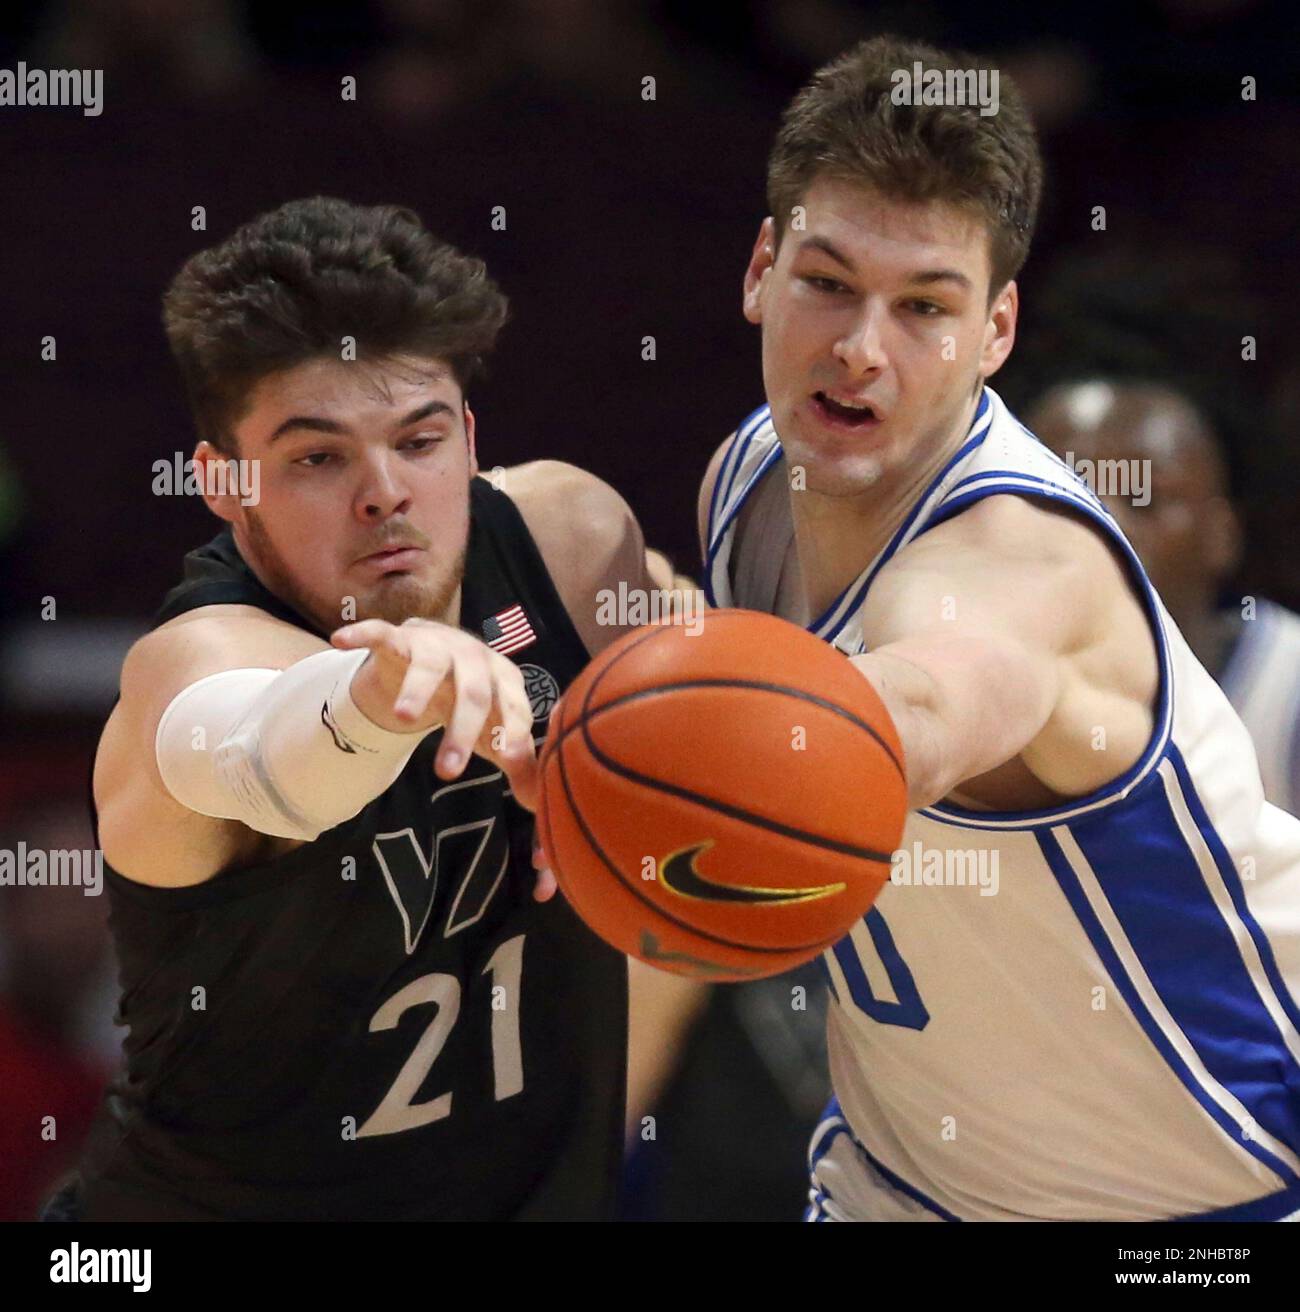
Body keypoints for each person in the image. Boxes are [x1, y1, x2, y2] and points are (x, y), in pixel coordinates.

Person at [699, 35, 1300, 1221]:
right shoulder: (749, 477)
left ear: (996, 331)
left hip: (1213, 1203)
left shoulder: (1019, 561)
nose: (862, 348)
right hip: (905, 1182)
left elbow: (918, 701)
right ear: (762, 269)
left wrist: (696, 780)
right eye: (827, 283)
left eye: (924, 305)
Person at [53, 196, 658, 1221]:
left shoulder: (572, 539)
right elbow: (260, 752)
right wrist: (381, 696)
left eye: (418, 440)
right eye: (318, 457)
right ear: (223, 480)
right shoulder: (196, 659)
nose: (385, 491)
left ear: (467, 437)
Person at [1028, 378, 1300, 818]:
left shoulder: (1287, 692)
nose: (1103, 520)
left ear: (1221, 535)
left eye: (1144, 499)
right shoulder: (971, 689)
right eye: (1064, 498)